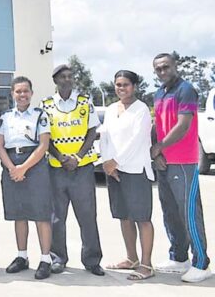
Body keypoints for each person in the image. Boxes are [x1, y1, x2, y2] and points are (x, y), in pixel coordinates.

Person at [151, 53, 211, 283]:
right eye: (158, 69)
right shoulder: (159, 93)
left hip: (184, 162)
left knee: (189, 213)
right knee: (170, 212)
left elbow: (183, 125)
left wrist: (159, 147)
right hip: (164, 161)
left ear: (175, 66)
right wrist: (157, 154)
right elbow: (157, 125)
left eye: (166, 67)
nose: (163, 71)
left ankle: (201, 263)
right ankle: (179, 257)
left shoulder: (186, 90)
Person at [42, 64, 104, 276]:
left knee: (87, 215)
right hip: (56, 168)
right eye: (63, 77)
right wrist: (60, 157)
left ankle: (92, 260)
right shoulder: (47, 105)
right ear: (55, 81)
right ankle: (58, 258)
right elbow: (45, 136)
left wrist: (77, 157)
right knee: (57, 217)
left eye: (70, 76)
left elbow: (92, 131)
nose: (67, 80)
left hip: (82, 167)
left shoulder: (85, 102)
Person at [0, 76, 53, 280]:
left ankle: (45, 259)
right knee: (18, 213)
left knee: (40, 214)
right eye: (18, 91)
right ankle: (22, 256)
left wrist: (24, 167)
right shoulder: (6, 117)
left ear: (31, 93)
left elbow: (44, 145)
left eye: (25, 91)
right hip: (11, 163)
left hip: (34, 165)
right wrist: (12, 167)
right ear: (12, 94)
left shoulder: (40, 115)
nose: (22, 95)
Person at [100, 70, 155, 281]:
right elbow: (104, 136)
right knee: (124, 216)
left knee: (142, 217)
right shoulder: (112, 108)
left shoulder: (141, 110)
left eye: (125, 84)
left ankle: (146, 264)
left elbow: (137, 140)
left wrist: (117, 161)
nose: (121, 88)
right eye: (118, 84)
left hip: (135, 170)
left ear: (134, 86)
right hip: (114, 171)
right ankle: (131, 258)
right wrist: (108, 163)